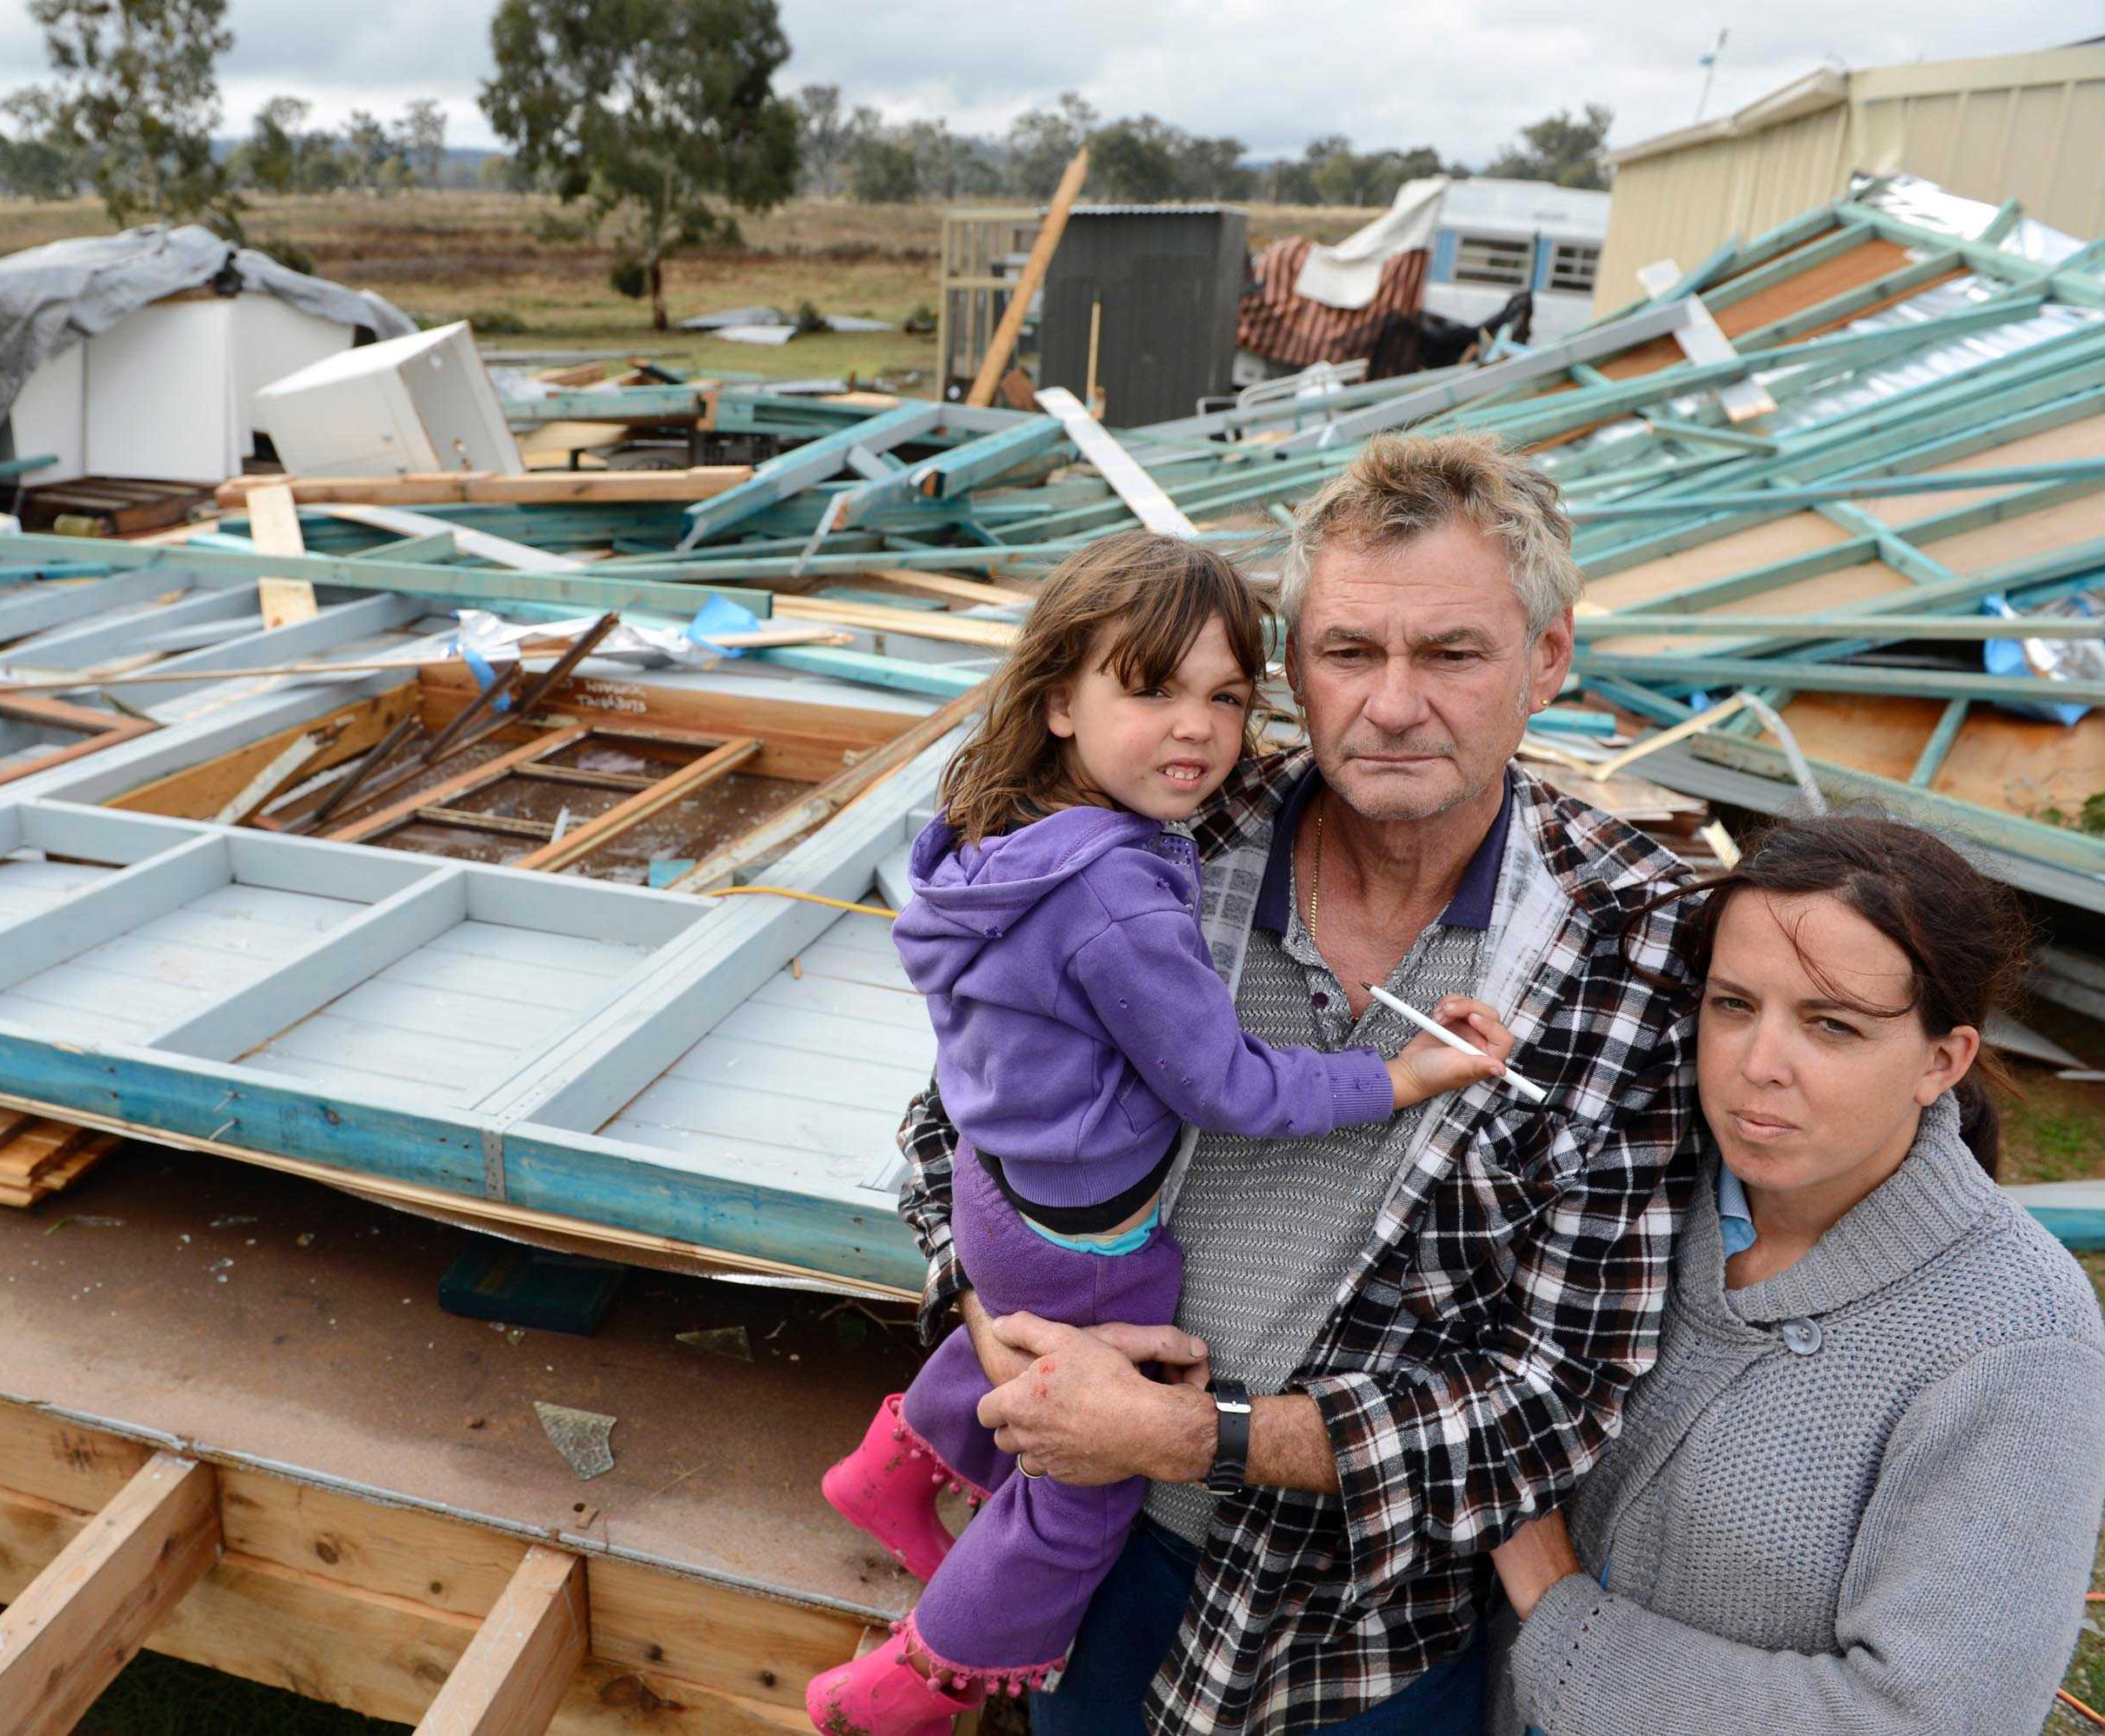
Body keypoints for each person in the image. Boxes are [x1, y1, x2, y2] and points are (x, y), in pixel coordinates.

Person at [893, 431, 1701, 1734]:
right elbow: (951, 1124)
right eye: (1347, 653)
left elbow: (1555, 1391)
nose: (1391, 704)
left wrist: (1185, 1435)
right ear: (1291, 670)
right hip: (1096, 1571)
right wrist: (996, 1315)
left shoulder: (1627, 944)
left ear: (1546, 660)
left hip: (1357, 1636)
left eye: (1451, 652)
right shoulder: (1161, 837)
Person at [805, 532, 1513, 1736]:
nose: (1197, 730)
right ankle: (916, 1679)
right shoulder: (1123, 895)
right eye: (1151, 687)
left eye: (1227, 696)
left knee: (1032, 1348)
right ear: (1061, 703)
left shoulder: (998, 842)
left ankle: (903, 1455)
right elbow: (1229, 1087)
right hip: (1089, 1231)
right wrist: (1398, 1076)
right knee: (1088, 1476)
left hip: (1002, 1182)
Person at [1488, 815, 2105, 1735]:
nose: (1757, 1066)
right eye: (1734, 1004)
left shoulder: (2018, 1338)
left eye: (1832, 1024)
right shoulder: (1628, 1194)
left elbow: (1927, 1720)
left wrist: (1558, 1607)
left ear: (1943, 1059)